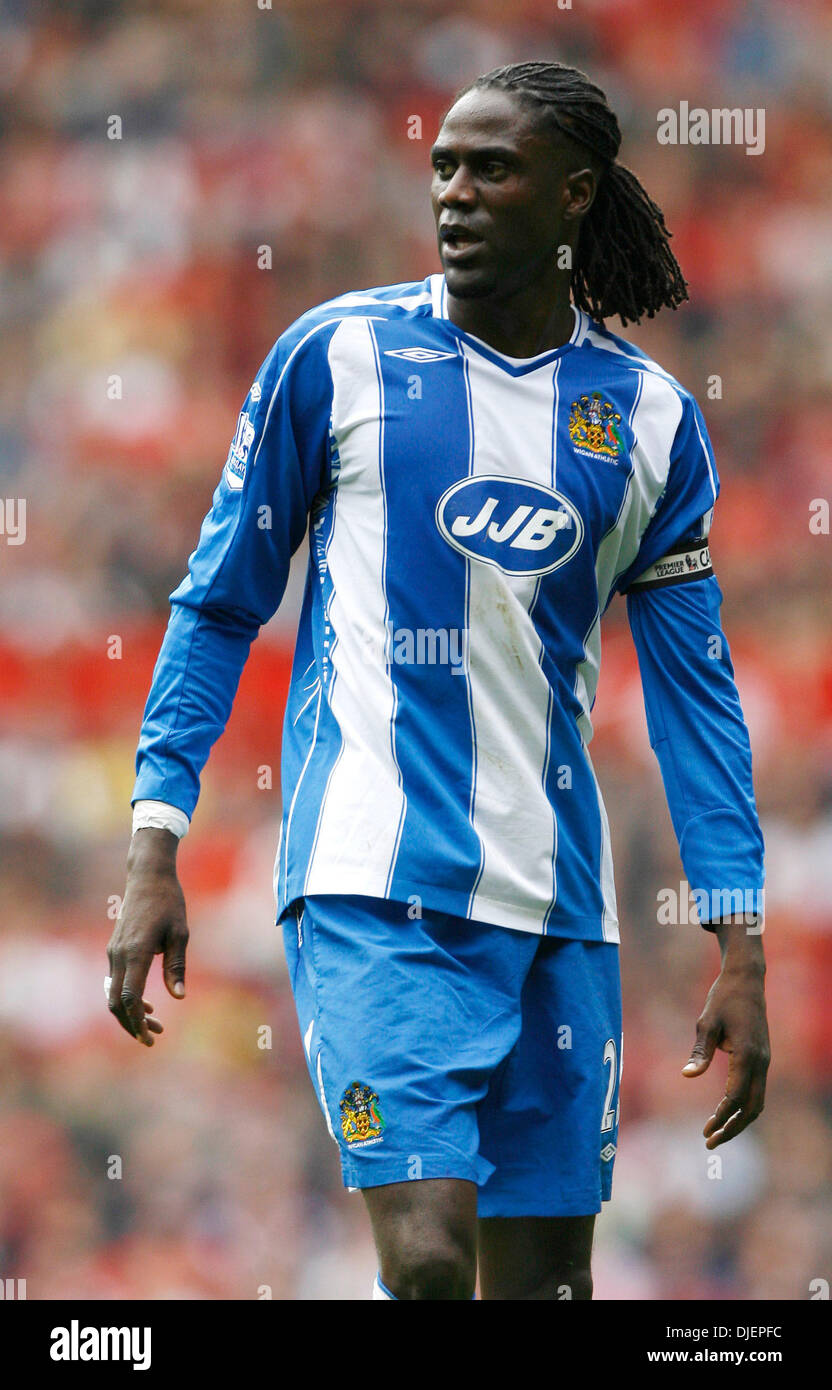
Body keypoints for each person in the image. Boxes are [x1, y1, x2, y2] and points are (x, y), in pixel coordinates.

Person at [107, 61, 769, 1300]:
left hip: (561, 910)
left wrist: (740, 938)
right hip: (372, 884)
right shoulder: (335, 358)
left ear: (574, 196)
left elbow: (698, 699)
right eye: (442, 169)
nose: (453, 195)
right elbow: (217, 605)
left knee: (546, 1289)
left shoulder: (652, 422)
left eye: (491, 169)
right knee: (422, 1264)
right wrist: (156, 837)